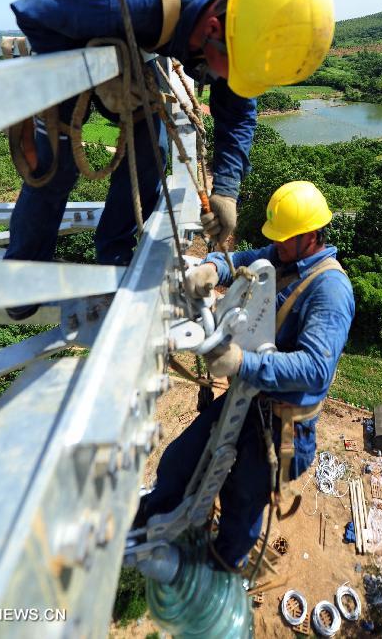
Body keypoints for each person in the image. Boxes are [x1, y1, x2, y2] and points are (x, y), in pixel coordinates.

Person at [4, 0, 334, 319]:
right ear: (212, 28)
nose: (226, 81)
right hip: (73, 41)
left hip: (138, 50)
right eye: (231, 72)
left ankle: (113, 258)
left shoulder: (241, 26)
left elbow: (238, 112)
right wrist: (92, 69)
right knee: (55, 167)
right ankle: (22, 277)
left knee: (153, 150)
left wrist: (226, 191)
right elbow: (35, 14)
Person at [135, 181, 355, 569]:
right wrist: (211, 267)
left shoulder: (330, 290)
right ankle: (148, 522)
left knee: (241, 500)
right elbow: (241, 261)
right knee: (180, 461)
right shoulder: (282, 258)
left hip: (282, 427)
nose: (276, 245)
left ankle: (221, 565)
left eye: (285, 239)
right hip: (248, 401)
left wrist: (241, 364)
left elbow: (315, 368)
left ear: (310, 236)